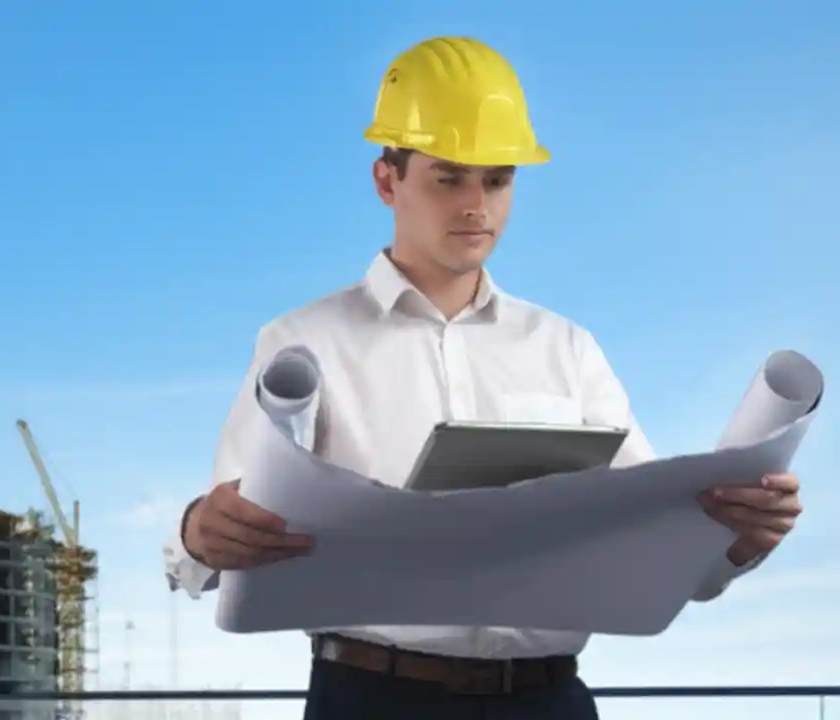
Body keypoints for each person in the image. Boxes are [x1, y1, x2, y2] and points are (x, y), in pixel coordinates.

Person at [162, 36, 804, 720]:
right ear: (387, 180)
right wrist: (200, 531)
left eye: (497, 180)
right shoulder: (302, 343)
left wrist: (737, 540)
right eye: (449, 177)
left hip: (549, 700)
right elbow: (218, 537)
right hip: (374, 700)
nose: (477, 205)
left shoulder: (567, 349)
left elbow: (655, 551)